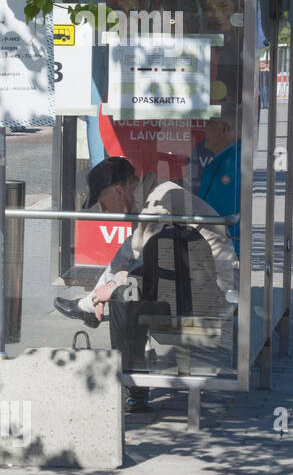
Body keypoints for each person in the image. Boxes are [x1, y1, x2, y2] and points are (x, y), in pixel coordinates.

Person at [54, 156, 235, 410]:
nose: (105, 212)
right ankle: (89, 305)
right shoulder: (156, 194)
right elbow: (149, 261)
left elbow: (152, 271)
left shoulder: (158, 207)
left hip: (206, 295)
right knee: (128, 255)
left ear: (119, 191)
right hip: (192, 281)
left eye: (104, 205)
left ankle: (134, 389)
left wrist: (114, 289)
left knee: (122, 300)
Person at [186, 105, 241, 252]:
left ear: (224, 129)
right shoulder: (227, 159)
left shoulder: (235, 162)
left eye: (209, 124)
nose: (204, 129)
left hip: (226, 249)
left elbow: (215, 212)